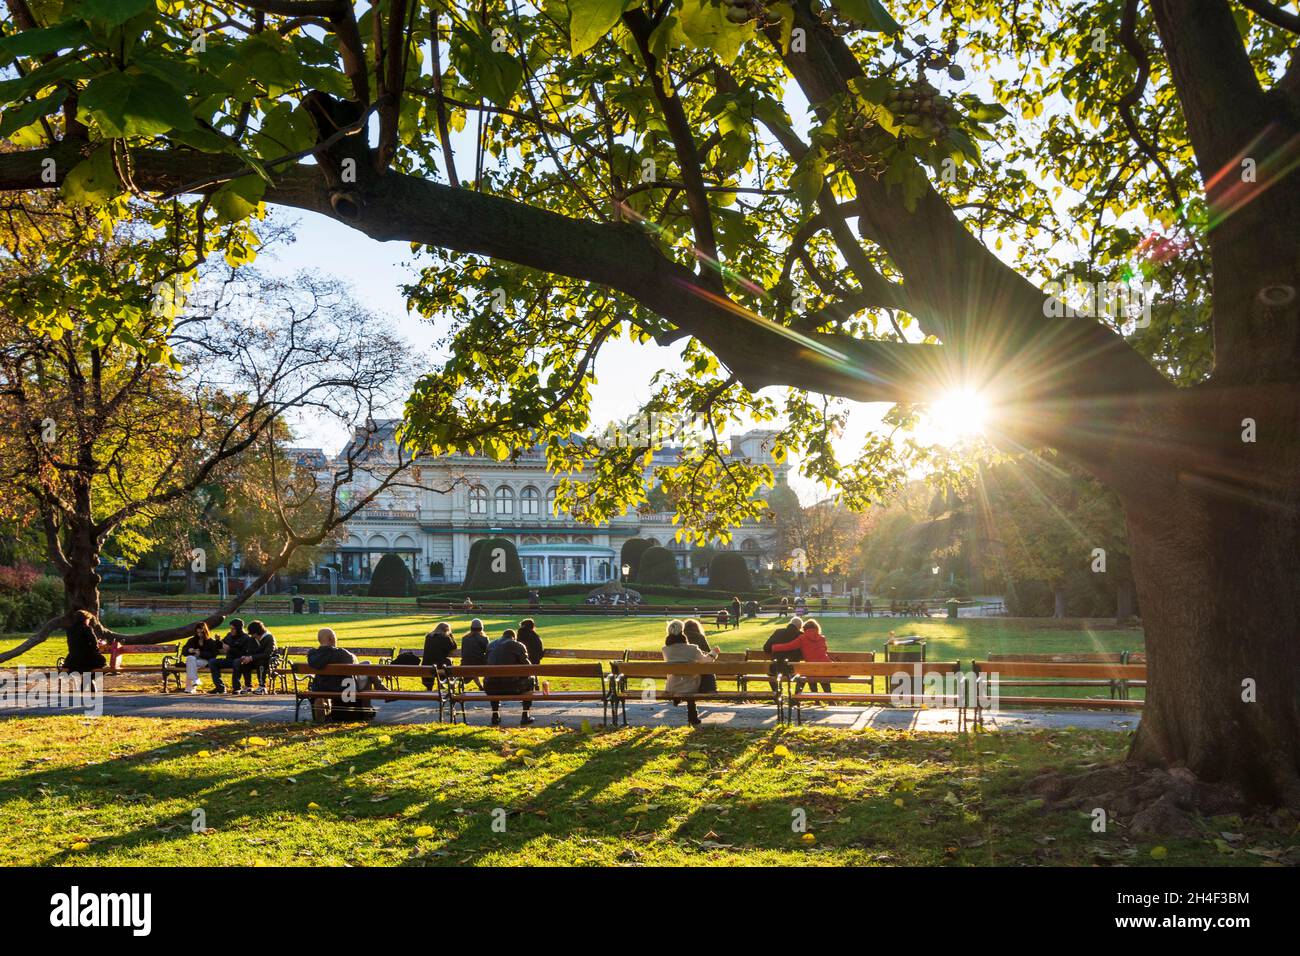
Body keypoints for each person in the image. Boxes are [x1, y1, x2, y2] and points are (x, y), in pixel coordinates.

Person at [306, 628, 370, 721]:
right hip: (342, 688)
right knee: (367, 668)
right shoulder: (341, 653)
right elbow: (354, 662)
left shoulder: (313, 655)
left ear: (320, 640)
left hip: (321, 688)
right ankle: (366, 711)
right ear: (332, 639)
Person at [663, 619, 718, 727]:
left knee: (685, 680)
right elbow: (706, 661)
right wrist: (714, 653)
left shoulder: (665, 650)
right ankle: (693, 716)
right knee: (696, 677)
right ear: (682, 632)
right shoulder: (693, 649)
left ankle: (687, 711)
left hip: (672, 686)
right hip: (691, 686)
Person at [484, 628, 534, 726]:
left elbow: (486, 661)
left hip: (491, 688)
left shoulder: (491, 645)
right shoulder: (518, 645)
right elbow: (528, 667)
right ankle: (525, 714)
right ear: (514, 637)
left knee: (493, 679)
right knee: (531, 678)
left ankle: (495, 715)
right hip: (513, 687)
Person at [771, 619, 833, 697]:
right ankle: (830, 699)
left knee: (809, 672)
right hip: (825, 667)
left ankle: (816, 700)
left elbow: (789, 646)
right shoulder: (822, 638)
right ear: (817, 628)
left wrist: (774, 648)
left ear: (804, 629)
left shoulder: (802, 638)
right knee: (817, 673)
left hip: (811, 669)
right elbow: (824, 651)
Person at [62, 610, 106, 686]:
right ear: (85, 619)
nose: (89, 621)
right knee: (104, 664)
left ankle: (87, 681)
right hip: (86, 659)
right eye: (88, 619)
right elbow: (94, 644)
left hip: (72, 660)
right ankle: (88, 680)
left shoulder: (70, 630)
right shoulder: (87, 629)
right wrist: (98, 647)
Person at [206, 618, 248, 694]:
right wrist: (218, 641)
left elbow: (244, 654)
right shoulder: (229, 635)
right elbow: (221, 645)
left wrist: (230, 649)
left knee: (236, 662)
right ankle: (220, 687)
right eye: (230, 628)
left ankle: (236, 688)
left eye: (233, 629)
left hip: (240, 661)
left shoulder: (246, 638)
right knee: (212, 662)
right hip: (229, 660)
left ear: (239, 629)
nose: (231, 630)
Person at [762, 616, 803, 691]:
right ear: (799, 627)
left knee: (771, 673)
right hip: (792, 669)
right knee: (802, 675)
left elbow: (766, 648)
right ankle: (796, 696)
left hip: (776, 667)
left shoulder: (778, 632)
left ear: (790, 624)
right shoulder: (800, 635)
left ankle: (777, 692)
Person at [236, 620, 277, 695]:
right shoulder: (253, 639)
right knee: (245, 663)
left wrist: (251, 658)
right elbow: (250, 650)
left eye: (253, 634)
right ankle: (248, 686)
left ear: (257, 632)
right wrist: (246, 657)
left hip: (269, 660)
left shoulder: (269, 638)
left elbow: (267, 654)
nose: (252, 636)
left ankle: (262, 686)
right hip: (256, 659)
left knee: (261, 662)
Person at [180, 622, 223, 693]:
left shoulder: (210, 641)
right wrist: (189, 650)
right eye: (197, 632)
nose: (199, 634)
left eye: (201, 632)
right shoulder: (192, 640)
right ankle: (194, 682)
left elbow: (213, 655)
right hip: (194, 661)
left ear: (205, 632)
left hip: (205, 661)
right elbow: (184, 651)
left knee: (190, 664)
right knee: (190, 659)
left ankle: (190, 687)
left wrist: (201, 653)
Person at [682, 619, 717, 693]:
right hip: (698, 667)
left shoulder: (681, 637)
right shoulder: (699, 637)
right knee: (706, 668)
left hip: (682, 669)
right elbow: (707, 652)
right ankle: (709, 689)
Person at [420, 622, 456, 689]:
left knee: (446, 661)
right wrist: (451, 635)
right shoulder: (445, 638)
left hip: (427, 664)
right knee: (448, 662)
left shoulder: (428, 636)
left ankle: (432, 687)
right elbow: (454, 647)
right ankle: (446, 683)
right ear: (446, 630)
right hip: (440, 665)